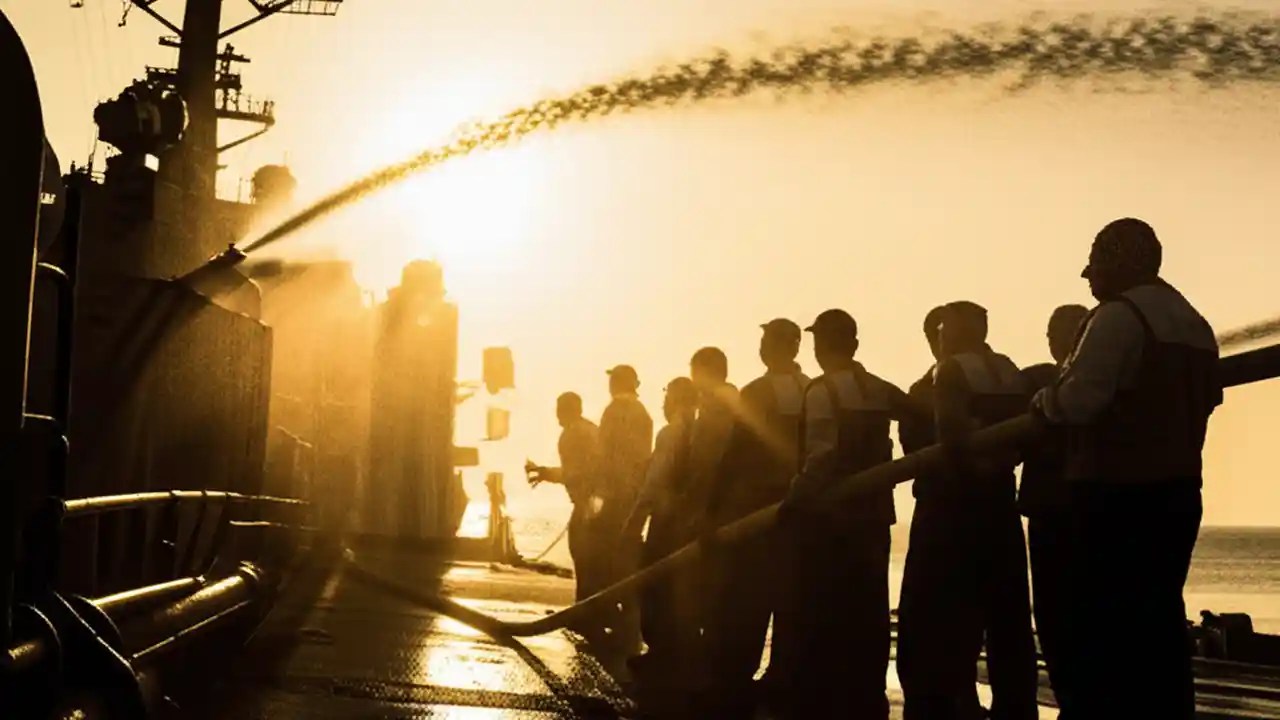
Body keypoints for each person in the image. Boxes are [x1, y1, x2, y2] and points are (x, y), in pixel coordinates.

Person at [1032, 218, 1220, 720]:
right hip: (1180, 492)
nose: (1088, 279)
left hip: (1116, 494)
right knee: (1158, 618)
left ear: (1116, 265)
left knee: (1101, 625)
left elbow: (1080, 399)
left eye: (1094, 266)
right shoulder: (1195, 325)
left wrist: (1043, 402)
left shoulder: (1117, 318)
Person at [897, 301, 1040, 720]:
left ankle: (941, 706)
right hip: (1001, 508)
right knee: (1008, 620)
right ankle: (1016, 708)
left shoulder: (943, 377)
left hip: (948, 511)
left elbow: (947, 440)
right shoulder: (1009, 372)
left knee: (933, 616)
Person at [778, 309, 920, 719]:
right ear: (854, 346)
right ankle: (865, 694)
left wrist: (794, 501)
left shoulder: (822, 392)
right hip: (874, 518)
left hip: (829, 523)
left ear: (821, 347)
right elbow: (916, 417)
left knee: (823, 607)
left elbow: (820, 456)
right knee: (869, 610)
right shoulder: (881, 389)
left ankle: (824, 696)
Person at [702, 320, 810, 717]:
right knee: (791, 600)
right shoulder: (813, 389)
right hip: (804, 511)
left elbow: (732, 455)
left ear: (784, 346)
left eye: (766, 340)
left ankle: (733, 680)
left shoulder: (758, 392)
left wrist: (712, 511)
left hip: (759, 510)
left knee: (745, 599)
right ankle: (784, 675)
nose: (762, 347)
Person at [896, 305, 985, 718]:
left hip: (939, 510)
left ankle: (934, 702)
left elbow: (914, 447)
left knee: (925, 612)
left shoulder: (926, 387)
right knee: (973, 614)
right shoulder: (1002, 377)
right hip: (987, 511)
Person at [1018, 303, 1088, 708]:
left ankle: (1075, 696)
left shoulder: (1045, 382)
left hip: (1057, 508)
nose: (1050, 339)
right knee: (1062, 611)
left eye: (1055, 332)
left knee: (1057, 611)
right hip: (1071, 506)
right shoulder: (1043, 380)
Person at [622, 378, 700, 700]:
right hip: (692, 524)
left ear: (676, 400)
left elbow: (654, 484)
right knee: (685, 590)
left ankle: (659, 655)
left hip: (666, 524)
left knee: (653, 585)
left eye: (667, 397)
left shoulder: (671, 434)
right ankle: (682, 654)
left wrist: (633, 522)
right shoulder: (703, 431)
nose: (664, 403)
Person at [596, 364, 654, 655]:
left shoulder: (614, 410)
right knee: (629, 554)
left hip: (615, 496)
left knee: (608, 555)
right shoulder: (643, 413)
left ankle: (611, 616)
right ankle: (630, 616)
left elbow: (603, 455)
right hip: (634, 496)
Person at [526, 392, 602, 602]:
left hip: (586, 503)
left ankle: (585, 610)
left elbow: (575, 472)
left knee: (581, 555)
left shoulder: (571, 435)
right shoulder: (592, 429)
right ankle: (593, 607)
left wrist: (544, 473)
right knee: (593, 560)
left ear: (566, 410)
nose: (556, 414)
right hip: (600, 503)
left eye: (559, 409)